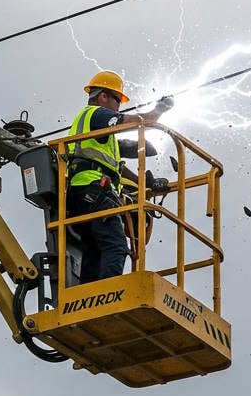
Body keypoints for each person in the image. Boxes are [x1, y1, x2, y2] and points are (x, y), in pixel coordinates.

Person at [65, 70, 172, 283]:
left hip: (85, 193)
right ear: (103, 96)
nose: (118, 106)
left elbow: (114, 168)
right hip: (93, 190)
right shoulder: (96, 114)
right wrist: (160, 109)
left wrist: (147, 183)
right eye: (117, 100)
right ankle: (110, 296)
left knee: (95, 253)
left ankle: (87, 300)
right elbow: (139, 121)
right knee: (116, 246)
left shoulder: (97, 132)